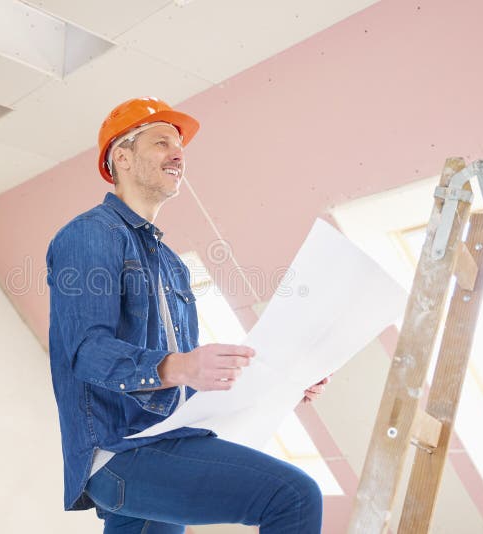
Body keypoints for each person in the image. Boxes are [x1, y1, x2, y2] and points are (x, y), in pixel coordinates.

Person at [46, 96, 328, 533]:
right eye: (161, 143)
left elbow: (184, 380)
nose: (178, 154)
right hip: (124, 451)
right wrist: (179, 366)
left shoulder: (171, 264)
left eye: (180, 147)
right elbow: (86, 351)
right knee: (292, 496)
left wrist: (282, 384)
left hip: (163, 438)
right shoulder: (89, 234)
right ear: (122, 157)